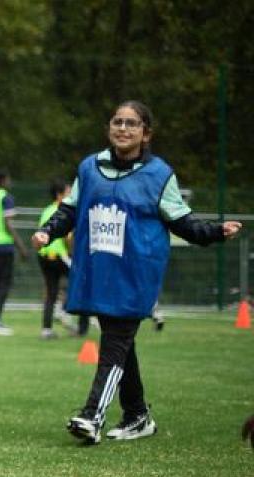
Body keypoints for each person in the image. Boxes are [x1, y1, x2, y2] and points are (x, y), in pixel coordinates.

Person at [33, 100, 242, 444]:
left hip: (136, 274)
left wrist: (215, 231)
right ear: (108, 128)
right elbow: (70, 210)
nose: (123, 128)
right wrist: (49, 231)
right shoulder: (89, 168)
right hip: (100, 271)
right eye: (117, 121)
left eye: (132, 123)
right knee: (120, 342)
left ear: (146, 133)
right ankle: (137, 415)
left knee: (115, 341)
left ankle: (92, 416)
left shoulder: (159, 175)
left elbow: (182, 221)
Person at [36, 178, 88, 339]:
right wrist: (73, 251)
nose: (70, 197)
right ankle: (79, 326)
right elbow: (67, 237)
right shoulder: (63, 212)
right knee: (83, 283)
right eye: (67, 193)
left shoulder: (46, 210)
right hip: (58, 255)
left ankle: (46, 329)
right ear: (59, 195)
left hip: (44, 256)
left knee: (51, 292)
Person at [0, 170, 28, 336]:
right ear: (2, 180)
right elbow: (8, 224)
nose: (10, 182)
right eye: (8, 179)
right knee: (4, 283)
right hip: (4, 245)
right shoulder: (5, 197)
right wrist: (21, 246)